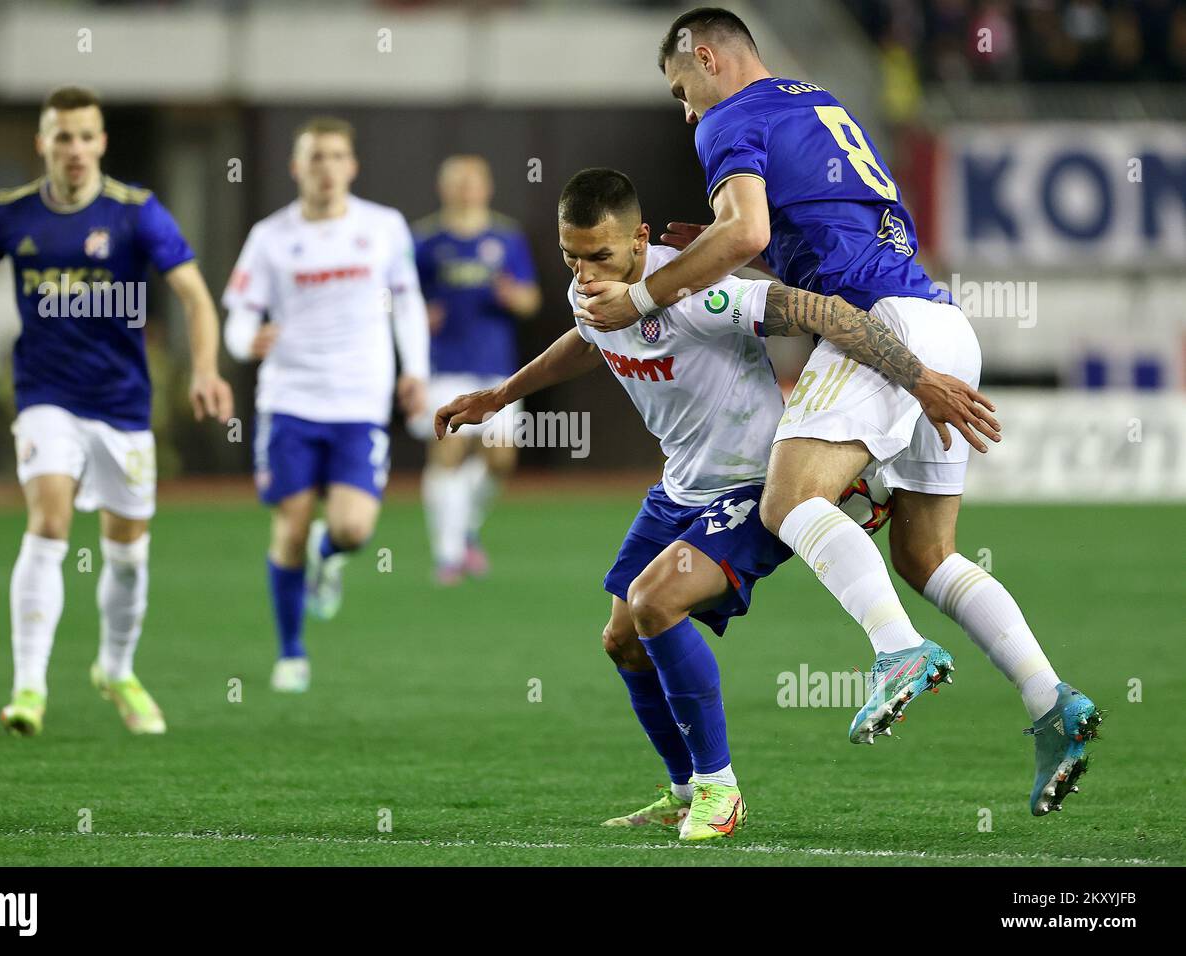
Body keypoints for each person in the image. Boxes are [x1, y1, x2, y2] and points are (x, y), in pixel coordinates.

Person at [579, 8, 1100, 815]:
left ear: (707, 60)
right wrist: (737, 245)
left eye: (682, 90)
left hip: (880, 327)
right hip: (940, 318)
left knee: (788, 500)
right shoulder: (818, 101)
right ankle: (1050, 700)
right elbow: (811, 229)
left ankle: (895, 652)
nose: (687, 112)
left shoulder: (727, 119)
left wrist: (649, 291)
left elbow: (748, 225)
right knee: (928, 558)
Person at [436, 168, 990, 839]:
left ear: (640, 240)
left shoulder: (699, 292)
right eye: (571, 258)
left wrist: (920, 378)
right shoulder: (592, 288)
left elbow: (823, 313)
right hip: (682, 487)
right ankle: (679, 790)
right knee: (623, 641)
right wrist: (500, 395)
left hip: (757, 485)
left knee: (654, 602)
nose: (583, 273)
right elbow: (587, 341)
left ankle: (719, 792)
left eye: (600, 257)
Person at [0, 85, 234, 736]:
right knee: (48, 523)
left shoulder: (137, 214)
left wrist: (207, 367)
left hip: (125, 406)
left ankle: (115, 669)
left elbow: (193, 294)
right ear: (41, 143)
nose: (74, 149)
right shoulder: (8, 215)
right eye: (62, 136)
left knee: (128, 552)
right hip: (46, 397)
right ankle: (28, 689)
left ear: (102, 142)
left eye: (85, 136)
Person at [222, 117, 429, 694]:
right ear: (297, 167)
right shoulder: (270, 237)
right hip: (289, 399)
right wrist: (246, 341)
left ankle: (329, 551)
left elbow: (407, 303)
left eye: (337, 155)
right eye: (315, 157)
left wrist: (415, 369)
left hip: (359, 399)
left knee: (354, 528)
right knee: (287, 526)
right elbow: (239, 314)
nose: (326, 166)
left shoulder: (383, 227)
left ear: (352, 166)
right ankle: (291, 653)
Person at [410, 155, 540, 584]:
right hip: (443, 365)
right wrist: (418, 315)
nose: (466, 189)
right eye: (458, 182)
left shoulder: (505, 239)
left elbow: (530, 300)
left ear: (487, 188)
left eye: (473, 182)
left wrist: (512, 296)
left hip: (495, 368)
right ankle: (448, 555)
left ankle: (464, 526)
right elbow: (399, 298)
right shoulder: (425, 241)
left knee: (501, 458)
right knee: (447, 452)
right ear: (443, 188)